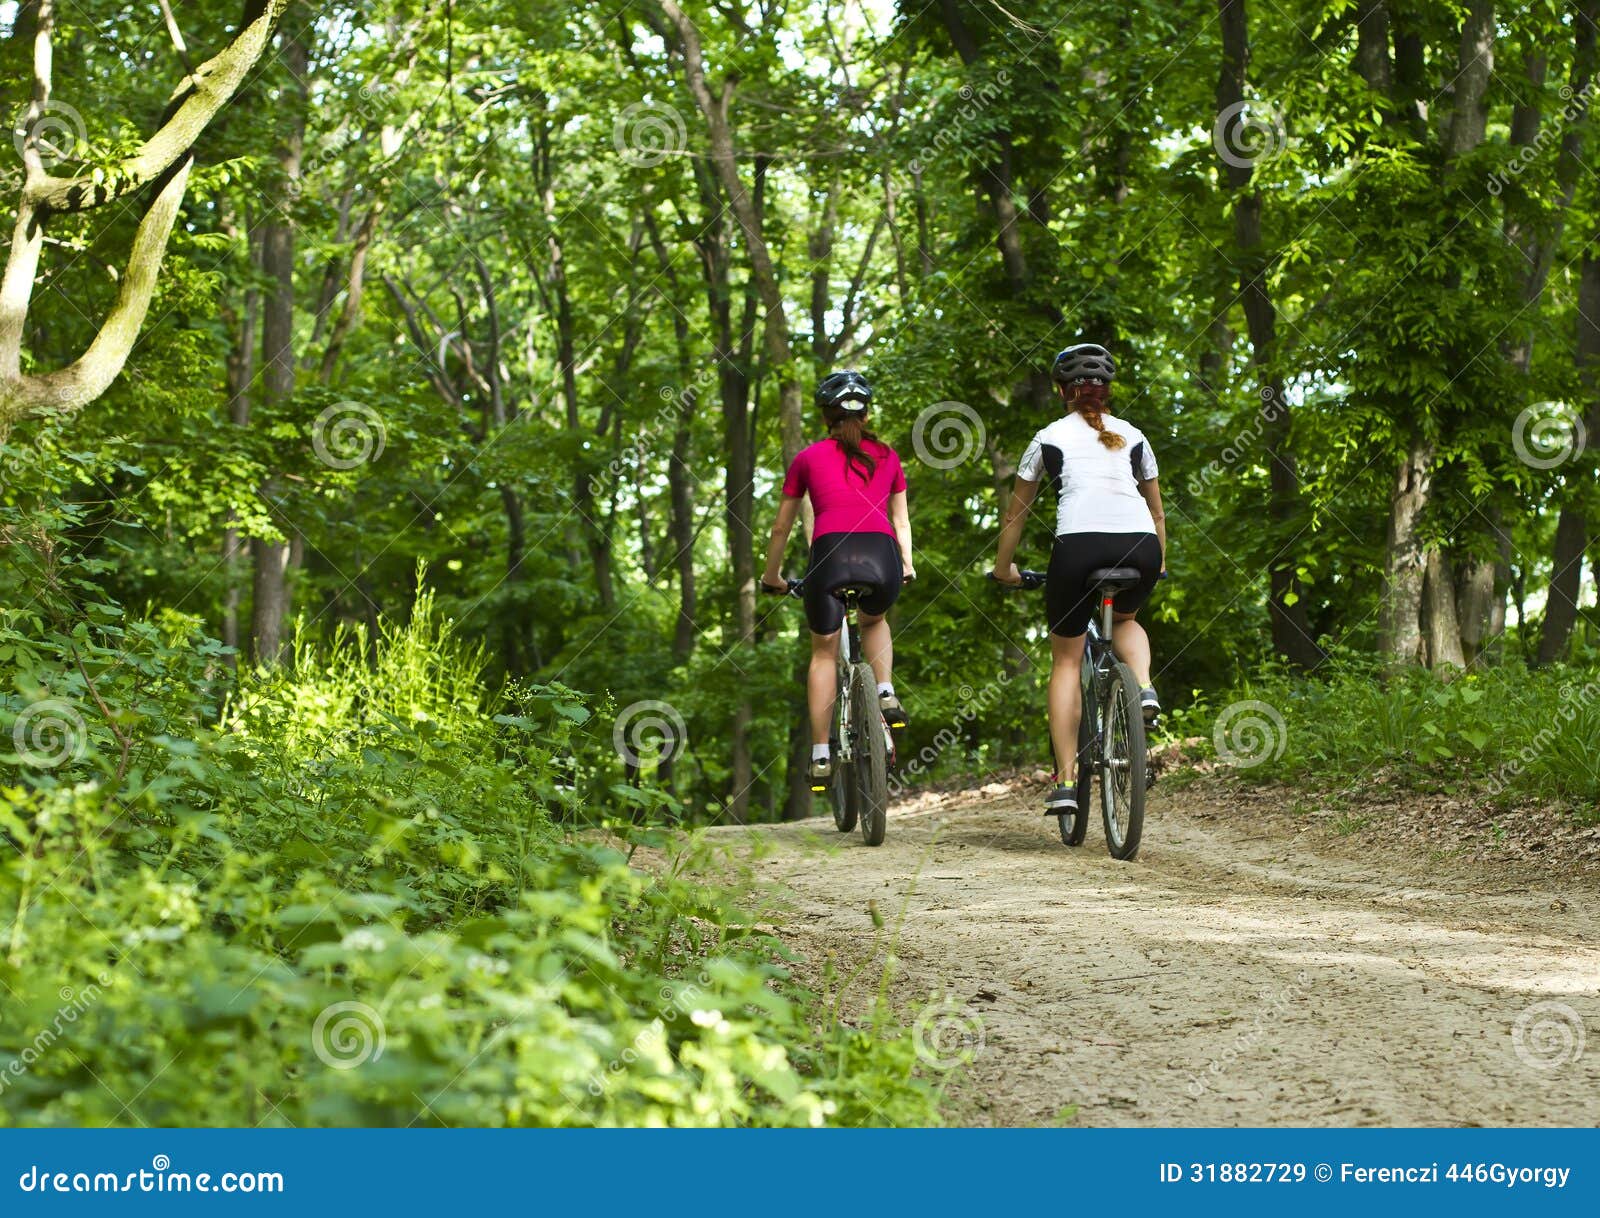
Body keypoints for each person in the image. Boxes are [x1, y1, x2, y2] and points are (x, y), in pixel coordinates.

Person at [991, 343, 1167, 818]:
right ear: (1108, 392)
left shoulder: (1047, 437)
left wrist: (1003, 568)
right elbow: (1155, 509)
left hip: (1079, 547)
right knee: (1126, 617)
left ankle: (1067, 779)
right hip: (1140, 546)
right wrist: (1160, 562)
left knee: (1067, 660)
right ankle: (1145, 689)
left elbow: (1017, 514)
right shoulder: (1135, 435)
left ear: (1061, 391)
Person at [761, 370, 915, 791]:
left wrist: (771, 577)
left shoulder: (807, 459)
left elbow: (781, 528)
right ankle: (884, 689)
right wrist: (906, 564)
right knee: (874, 620)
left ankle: (820, 754)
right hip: (881, 557)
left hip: (829, 559)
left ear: (825, 415)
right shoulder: (889, 455)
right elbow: (900, 520)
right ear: (866, 413)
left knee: (823, 654)